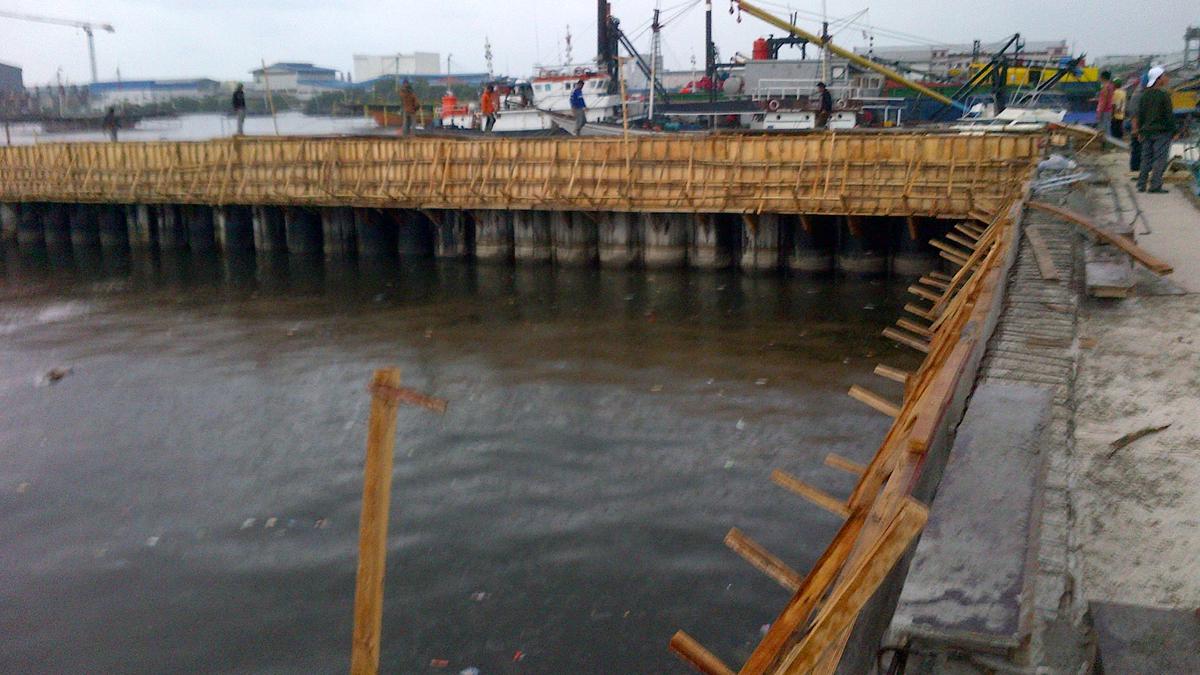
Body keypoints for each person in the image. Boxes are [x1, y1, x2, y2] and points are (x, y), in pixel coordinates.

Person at [1132, 66, 1176, 194]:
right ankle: (1155, 186)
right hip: (1161, 132)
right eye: (1164, 76)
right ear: (1158, 79)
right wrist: (1174, 131)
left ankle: (1141, 184)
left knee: (1146, 159)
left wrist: (1139, 131)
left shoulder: (1144, 96)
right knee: (1159, 159)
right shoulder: (1164, 96)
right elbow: (1169, 115)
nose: (1166, 78)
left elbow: (1141, 115)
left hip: (1146, 132)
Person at [1096, 70, 1115, 136]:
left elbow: (1103, 101)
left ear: (1102, 78)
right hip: (1109, 110)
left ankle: (1104, 144)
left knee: (1103, 129)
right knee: (1107, 127)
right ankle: (1108, 143)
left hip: (1104, 111)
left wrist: (1099, 112)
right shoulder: (1111, 86)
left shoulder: (1105, 88)